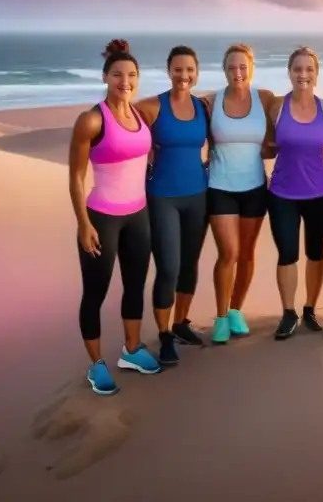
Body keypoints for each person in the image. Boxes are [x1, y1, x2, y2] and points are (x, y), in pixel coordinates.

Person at [67, 39, 162, 396]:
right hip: (102, 219)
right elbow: (76, 176)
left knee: (135, 285)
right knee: (96, 292)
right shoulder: (92, 120)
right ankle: (96, 365)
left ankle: (131, 350)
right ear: (105, 77)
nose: (126, 81)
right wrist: (83, 223)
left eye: (132, 75)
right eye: (118, 74)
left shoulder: (138, 115)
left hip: (138, 215)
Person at [135, 45, 211, 363]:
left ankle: (180, 323)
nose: (184, 75)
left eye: (189, 70)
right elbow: (122, 121)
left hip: (198, 196)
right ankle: (165, 334)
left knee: (190, 264)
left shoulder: (203, 107)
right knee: (168, 267)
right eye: (178, 69)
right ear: (169, 71)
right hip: (162, 197)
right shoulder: (153, 107)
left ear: (197, 73)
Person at [203, 43, 276, 345]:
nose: (238, 72)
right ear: (224, 70)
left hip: (255, 188)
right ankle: (221, 316)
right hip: (220, 187)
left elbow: (279, 134)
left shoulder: (265, 99)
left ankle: (235, 310)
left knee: (247, 254)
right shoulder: (211, 101)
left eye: (243, 67)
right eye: (231, 67)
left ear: (252, 68)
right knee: (229, 253)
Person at [265, 47, 323, 339]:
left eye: (309, 69)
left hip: (320, 194)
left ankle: (310, 308)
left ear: (317, 74)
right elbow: (266, 144)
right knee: (287, 254)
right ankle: (288, 313)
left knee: (316, 252)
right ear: (289, 73)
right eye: (297, 69)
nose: (303, 74)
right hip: (282, 194)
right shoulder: (276, 107)